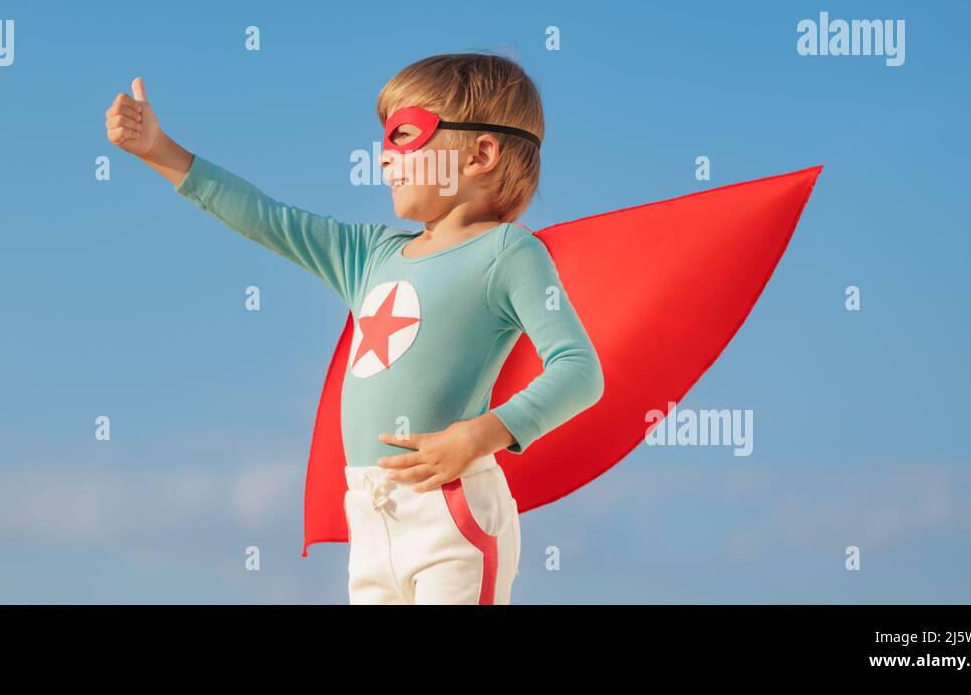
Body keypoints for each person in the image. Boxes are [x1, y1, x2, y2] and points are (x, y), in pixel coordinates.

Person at [104, 52, 604, 604]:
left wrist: (477, 436)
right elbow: (268, 218)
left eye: (405, 135)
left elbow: (579, 370)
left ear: (481, 153)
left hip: (452, 511)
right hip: (369, 520)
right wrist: (158, 150)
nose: (385, 157)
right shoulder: (368, 255)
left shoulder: (508, 253)